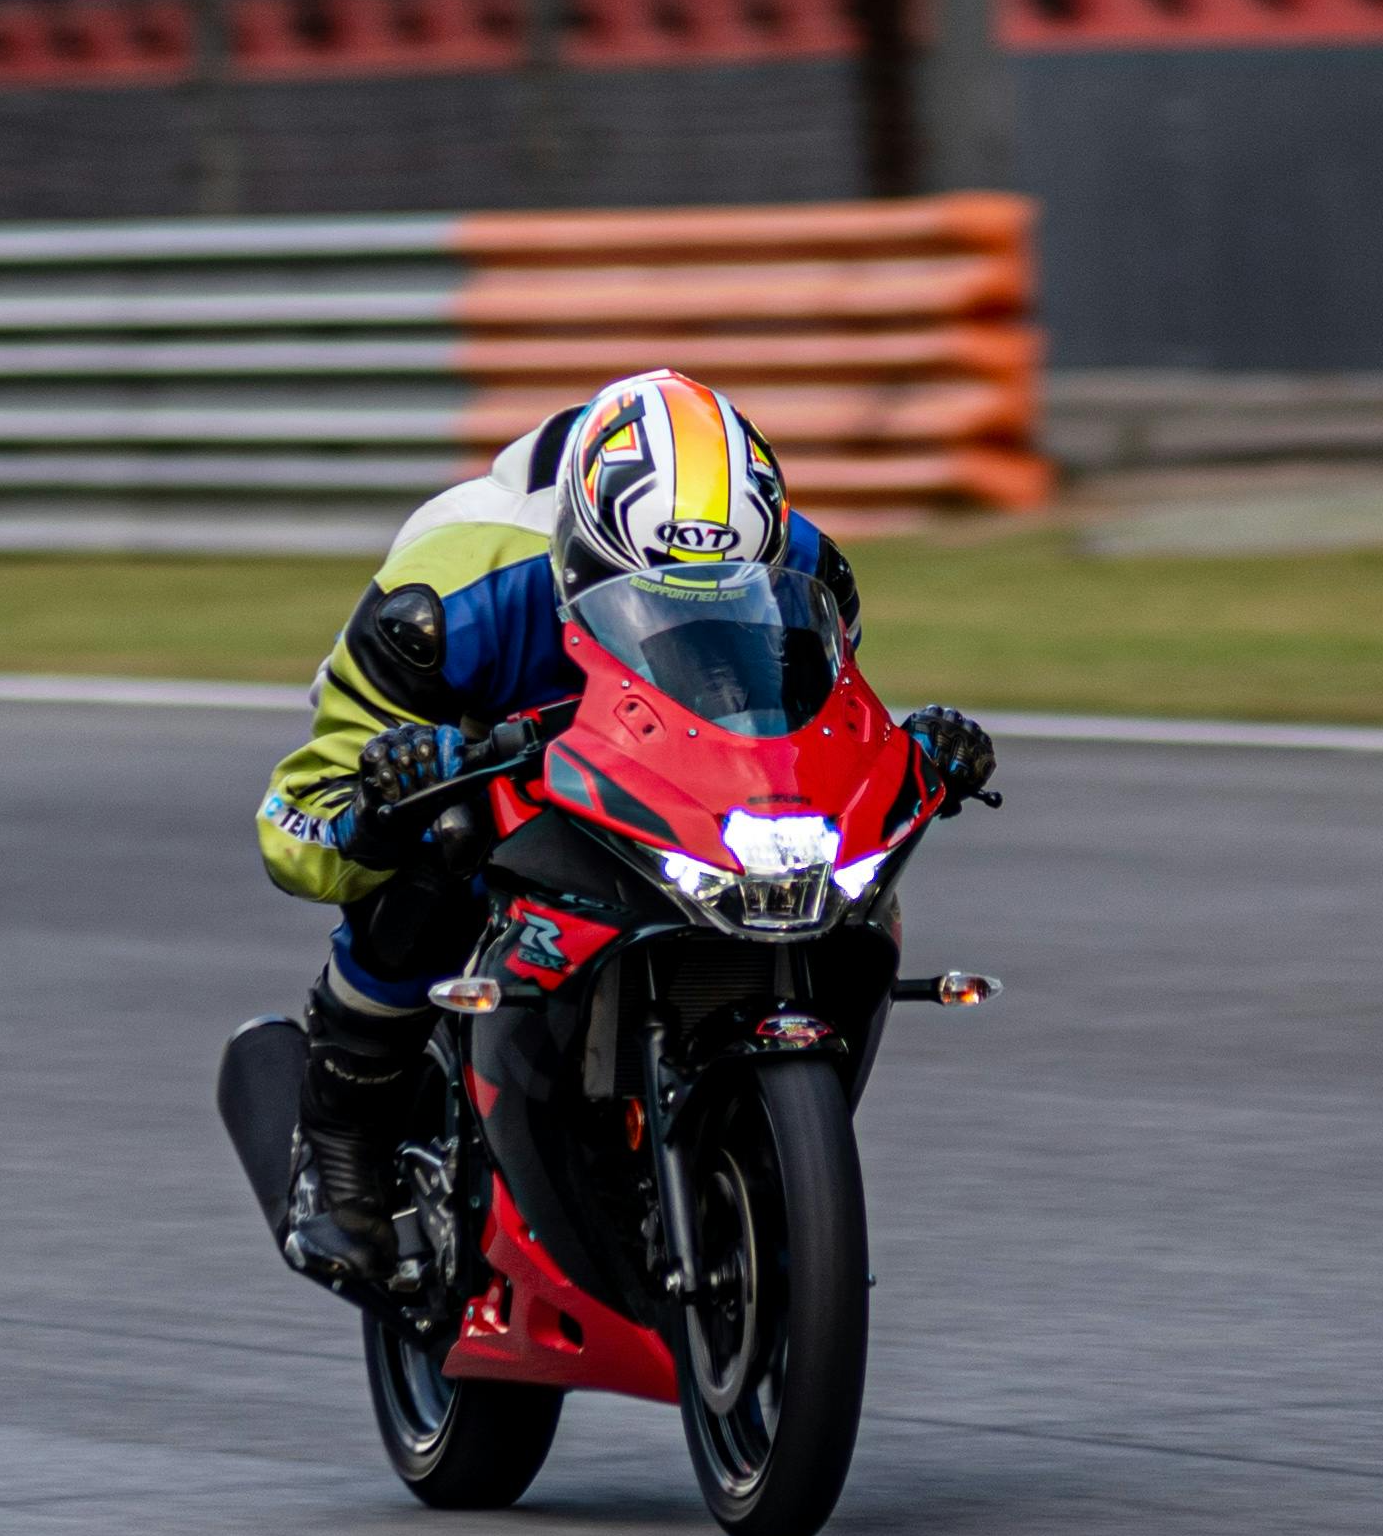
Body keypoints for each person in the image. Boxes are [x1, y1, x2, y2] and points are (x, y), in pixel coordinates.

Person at [256, 365, 994, 1288]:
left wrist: (919, 752)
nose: (683, 618)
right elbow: (297, 817)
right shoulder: (447, 603)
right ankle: (339, 1145)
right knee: (428, 845)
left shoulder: (809, 572)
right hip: (511, 759)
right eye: (651, 594)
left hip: (672, 771)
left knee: (844, 877)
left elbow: (813, 734)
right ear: (583, 560)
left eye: (719, 598)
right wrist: (378, 799)